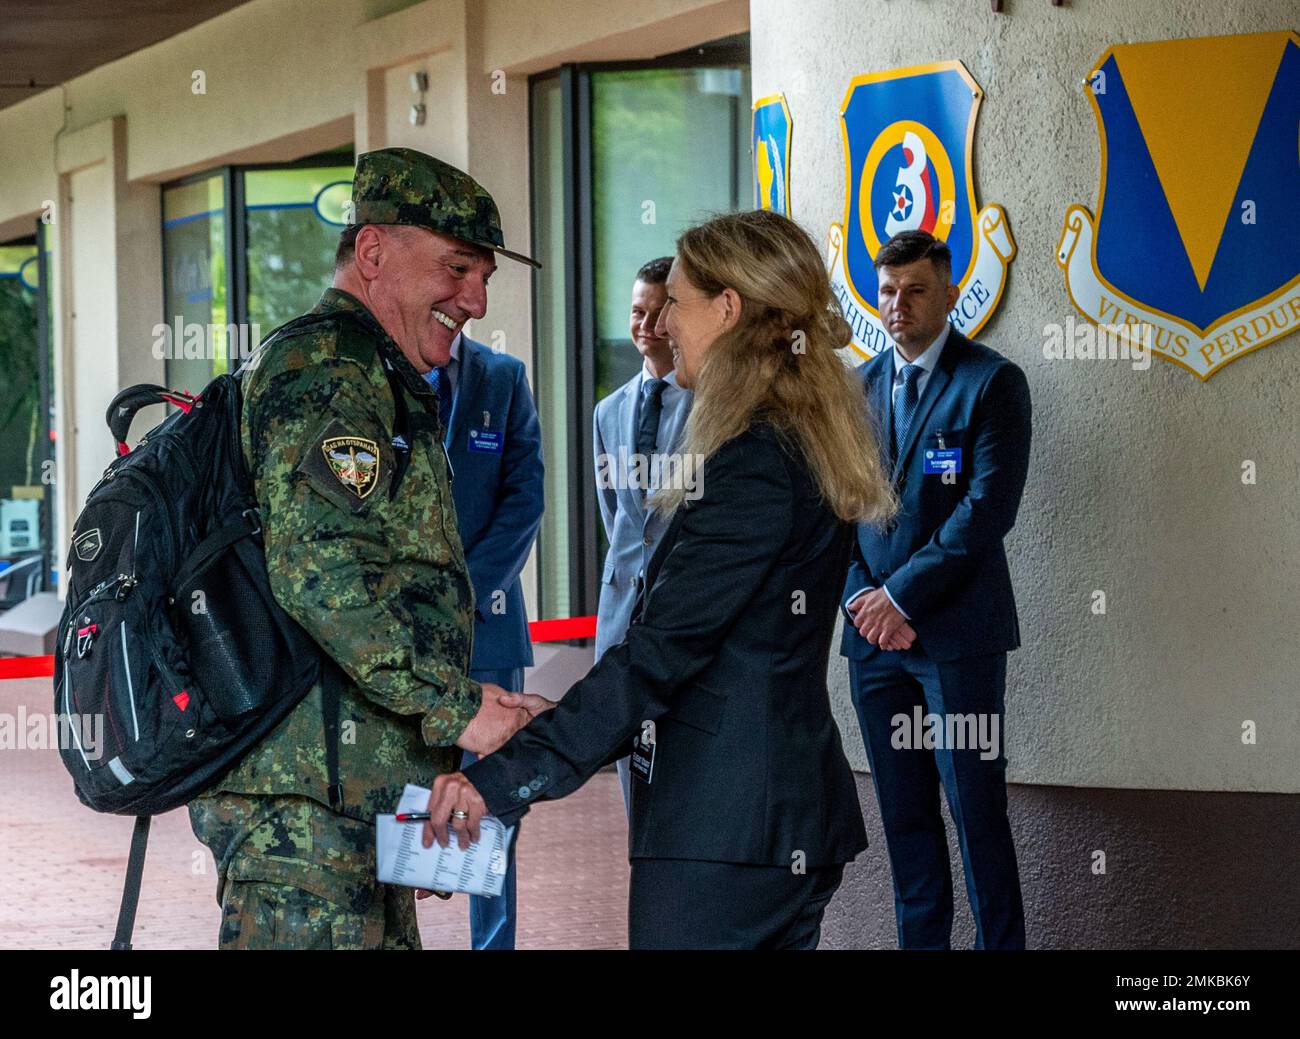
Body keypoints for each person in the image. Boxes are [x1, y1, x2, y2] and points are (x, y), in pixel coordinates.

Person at [420, 209, 897, 949]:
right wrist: (557, 722)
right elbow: (695, 659)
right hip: (759, 820)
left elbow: (660, 656)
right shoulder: (783, 437)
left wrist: (492, 783)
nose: (662, 322)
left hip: (730, 828)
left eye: (676, 300)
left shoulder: (755, 460)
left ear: (728, 309)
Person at [187, 147, 542, 950]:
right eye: (457, 268)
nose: (477, 299)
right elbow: (325, 577)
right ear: (373, 252)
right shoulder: (328, 369)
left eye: (484, 276)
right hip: (301, 820)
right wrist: (457, 707)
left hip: (347, 804)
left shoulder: (376, 371)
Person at [839, 229, 1032, 950]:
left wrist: (903, 599)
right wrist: (864, 601)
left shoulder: (991, 382)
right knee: (908, 823)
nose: (898, 305)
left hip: (956, 641)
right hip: (874, 646)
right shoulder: (853, 390)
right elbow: (837, 511)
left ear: (949, 294)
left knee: (977, 816)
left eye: (916, 290)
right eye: (887, 291)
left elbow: (988, 509)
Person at [430, 319, 545, 950]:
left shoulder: (503, 379)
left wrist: (463, 592)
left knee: (492, 798)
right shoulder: (376, 378)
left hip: (487, 631)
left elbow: (524, 498)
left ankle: (491, 944)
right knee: (394, 796)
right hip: (393, 639)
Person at [592, 256, 693, 814]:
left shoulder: (713, 406)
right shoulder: (608, 412)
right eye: (636, 312)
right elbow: (619, 521)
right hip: (622, 623)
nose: (647, 325)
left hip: (685, 621)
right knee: (634, 775)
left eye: (660, 312)